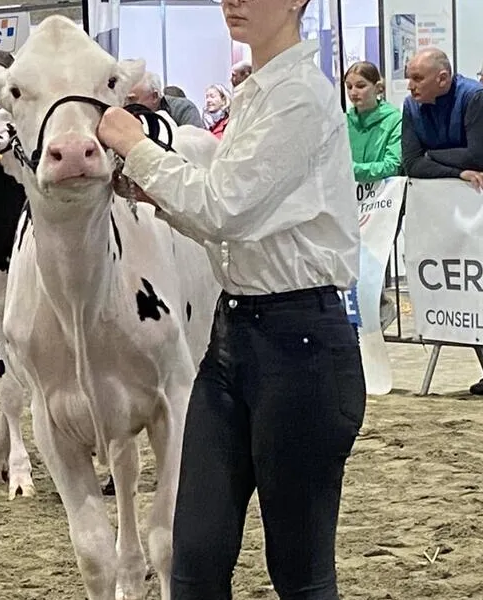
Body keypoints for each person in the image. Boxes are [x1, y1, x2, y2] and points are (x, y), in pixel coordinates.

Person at [97, 1, 365, 598]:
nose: (232, 2)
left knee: (300, 574)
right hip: (232, 337)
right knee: (192, 563)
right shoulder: (258, 96)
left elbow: (225, 207)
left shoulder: (300, 96)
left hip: (302, 350)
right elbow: (230, 227)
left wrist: (136, 143)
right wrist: (158, 195)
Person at [400, 48, 483, 394]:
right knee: (455, 281)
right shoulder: (411, 107)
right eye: (409, 77)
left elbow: (478, 155)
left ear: (443, 77)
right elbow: (410, 163)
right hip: (445, 211)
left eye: (417, 78)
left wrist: (433, 155)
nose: (410, 86)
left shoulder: (476, 98)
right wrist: (458, 171)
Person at [344, 60, 402, 331]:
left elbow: (392, 164)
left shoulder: (394, 119)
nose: (354, 92)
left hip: (381, 203)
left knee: (371, 262)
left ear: (377, 87)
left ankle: (377, 308)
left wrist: (352, 170)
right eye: (349, 87)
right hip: (348, 202)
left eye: (360, 86)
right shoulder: (343, 121)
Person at [127, 72, 205, 127]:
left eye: (132, 100)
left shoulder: (183, 109)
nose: (126, 105)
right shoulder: (125, 114)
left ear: (154, 96)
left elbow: (196, 146)